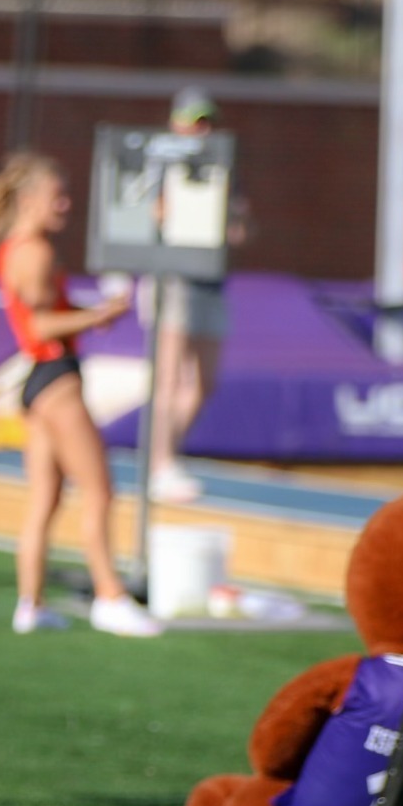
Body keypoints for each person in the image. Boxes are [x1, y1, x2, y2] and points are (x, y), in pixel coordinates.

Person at [0, 152, 162, 638]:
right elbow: (42, 323)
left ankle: (31, 602)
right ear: (30, 200)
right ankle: (110, 595)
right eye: (57, 196)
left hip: (39, 377)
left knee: (46, 498)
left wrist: (89, 310)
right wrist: (98, 316)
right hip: (54, 374)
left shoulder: (15, 248)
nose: (66, 204)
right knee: (99, 489)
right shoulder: (36, 250)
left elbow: (42, 312)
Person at [149, 88, 245, 504]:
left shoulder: (221, 168)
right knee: (169, 377)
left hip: (210, 280)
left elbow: (237, 224)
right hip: (174, 279)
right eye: (194, 121)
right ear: (177, 123)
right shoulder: (162, 163)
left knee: (204, 381)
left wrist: (234, 225)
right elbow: (150, 213)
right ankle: (160, 462)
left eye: (207, 122)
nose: (202, 130)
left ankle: (169, 453)